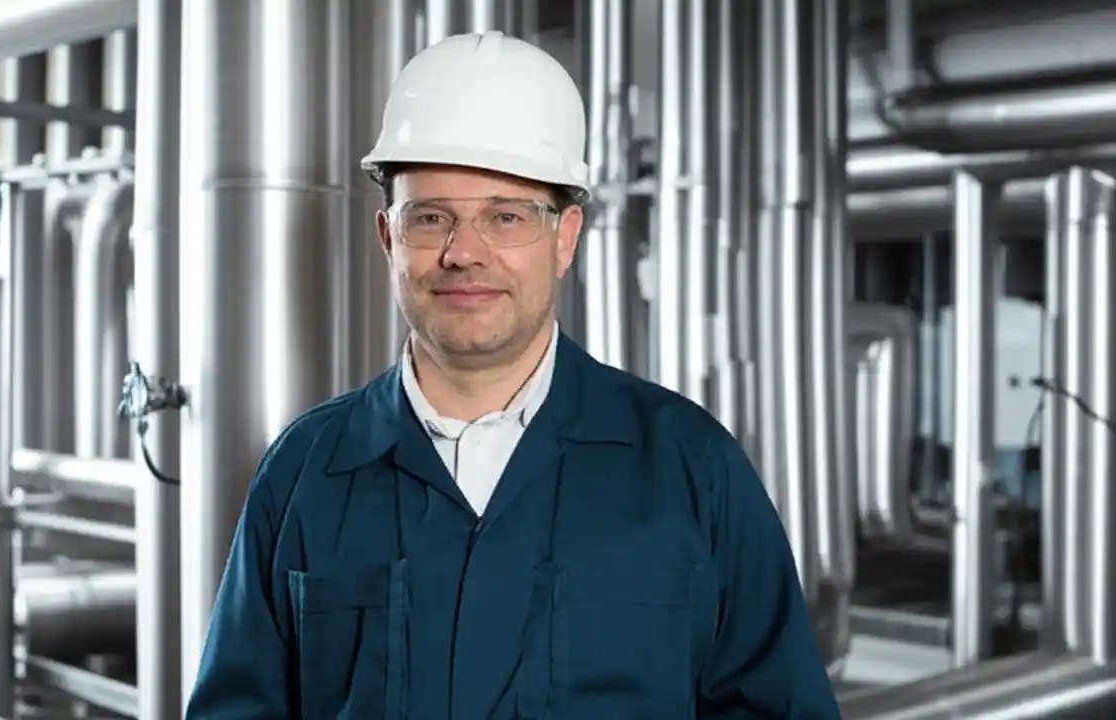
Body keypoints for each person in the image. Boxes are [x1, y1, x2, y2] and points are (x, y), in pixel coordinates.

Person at [185, 31, 841, 720]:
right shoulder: (305, 473)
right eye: (432, 217)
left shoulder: (691, 466)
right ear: (388, 237)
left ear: (565, 236)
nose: (465, 253)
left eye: (506, 217)